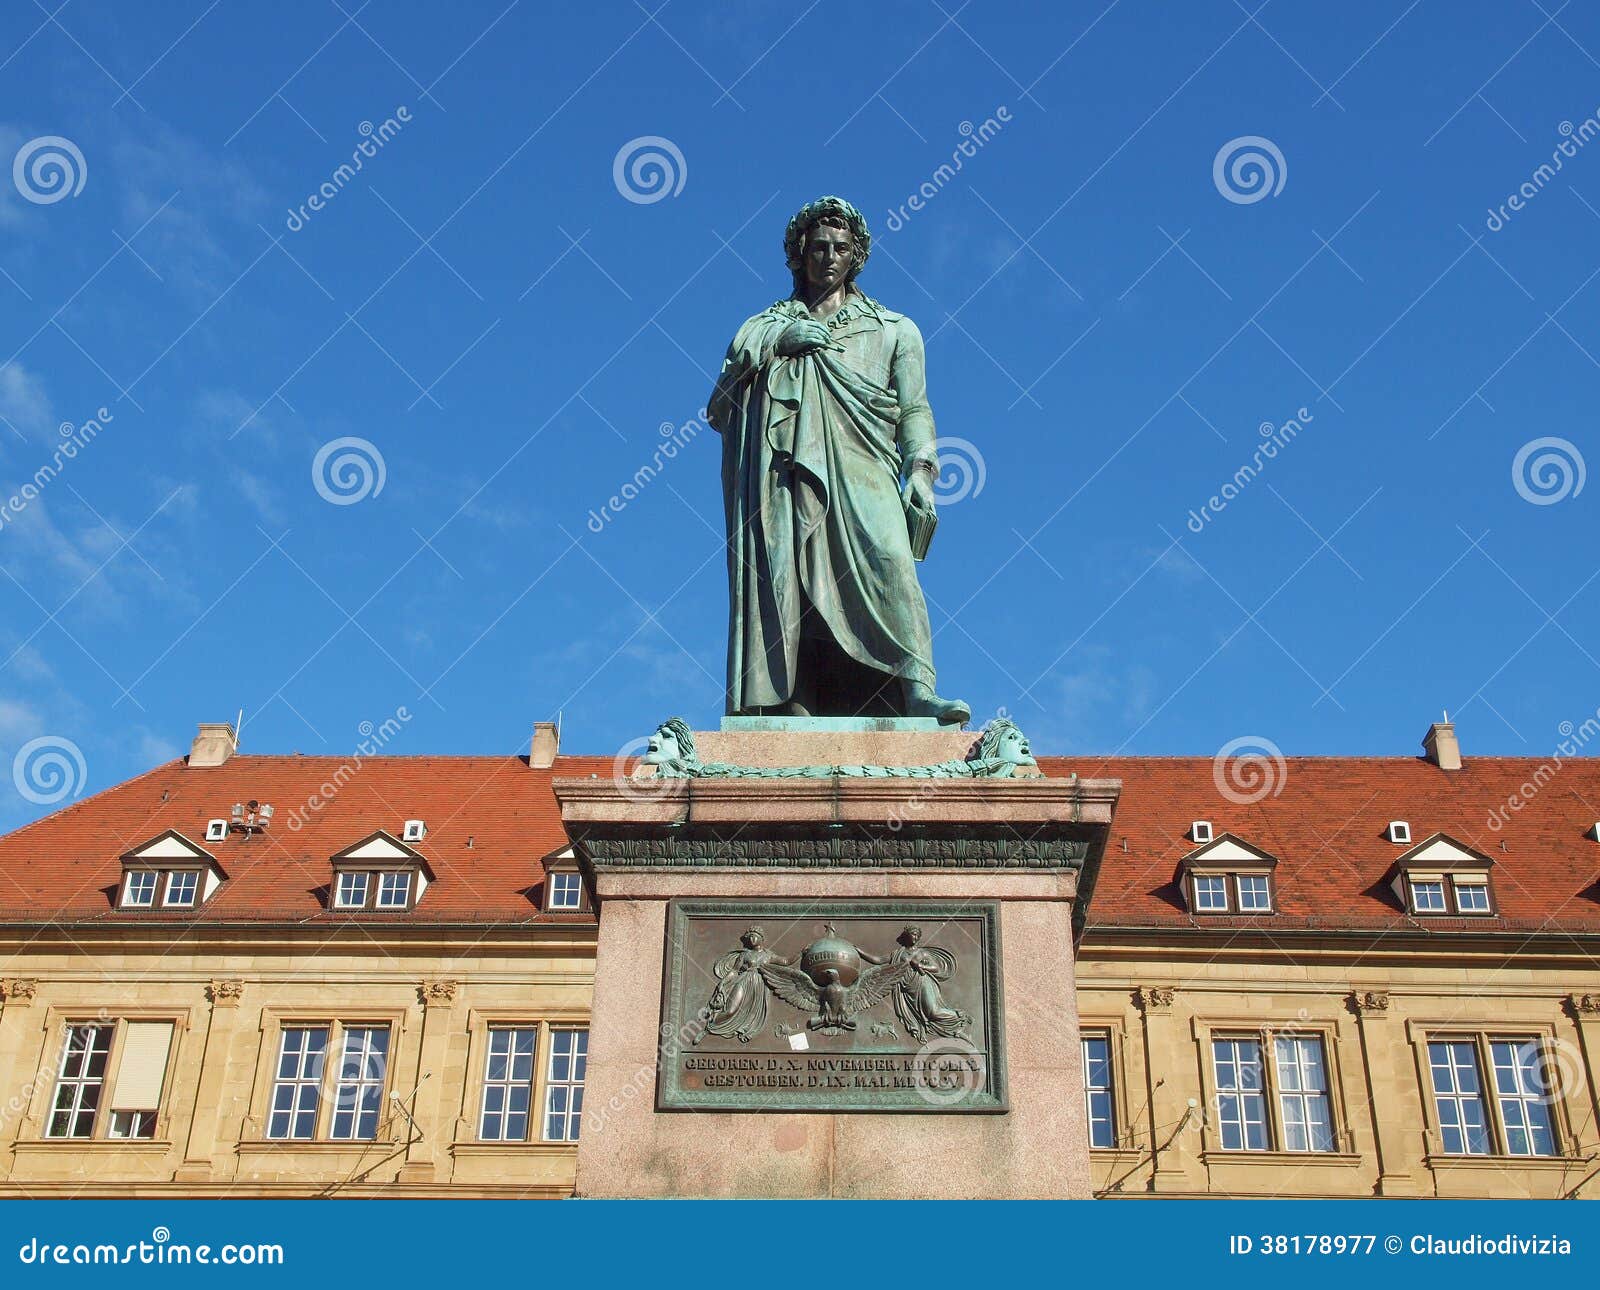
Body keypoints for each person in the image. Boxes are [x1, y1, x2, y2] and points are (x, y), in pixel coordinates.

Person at [708, 196, 970, 724]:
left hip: (866, 467)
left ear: (857, 257)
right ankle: (787, 696)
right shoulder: (764, 326)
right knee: (789, 574)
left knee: (891, 563)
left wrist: (920, 473)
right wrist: (779, 341)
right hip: (784, 475)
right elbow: (720, 406)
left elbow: (915, 409)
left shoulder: (895, 328)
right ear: (800, 254)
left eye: (841, 249)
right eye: (819, 247)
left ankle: (915, 687)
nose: (829, 257)